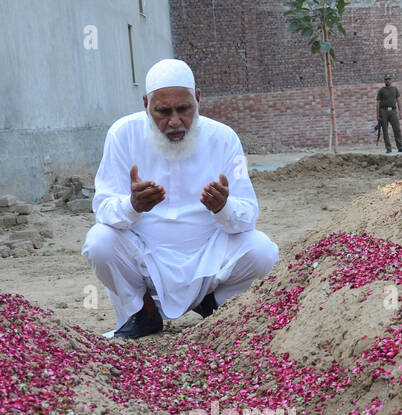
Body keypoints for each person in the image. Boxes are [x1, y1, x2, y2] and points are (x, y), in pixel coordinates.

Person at [81, 59, 280, 340]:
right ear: (146, 104)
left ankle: (216, 305)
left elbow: (248, 215)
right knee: (99, 242)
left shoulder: (224, 138)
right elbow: (103, 208)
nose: (174, 121)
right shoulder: (122, 135)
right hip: (146, 256)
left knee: (262, 252)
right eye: (163, 111)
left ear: (197, 99)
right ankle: (143, 313)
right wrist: (132, 206)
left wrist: (224, 207)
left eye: (184, 109)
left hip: (209, 257)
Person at [376, 75, 402, 153]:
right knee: (385, 130)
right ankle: (388, 148)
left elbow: (398, 100)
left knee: (397, 129)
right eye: (386, 79)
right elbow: (378, 103)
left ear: (391, 80)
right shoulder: (381, 90)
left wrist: (400, 112)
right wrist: (377, 115)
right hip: (383, 111)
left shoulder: (395, 89)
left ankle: (400, 147)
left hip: (393, 111)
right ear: (384, 81)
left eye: (389, 79)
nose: (388, 81)